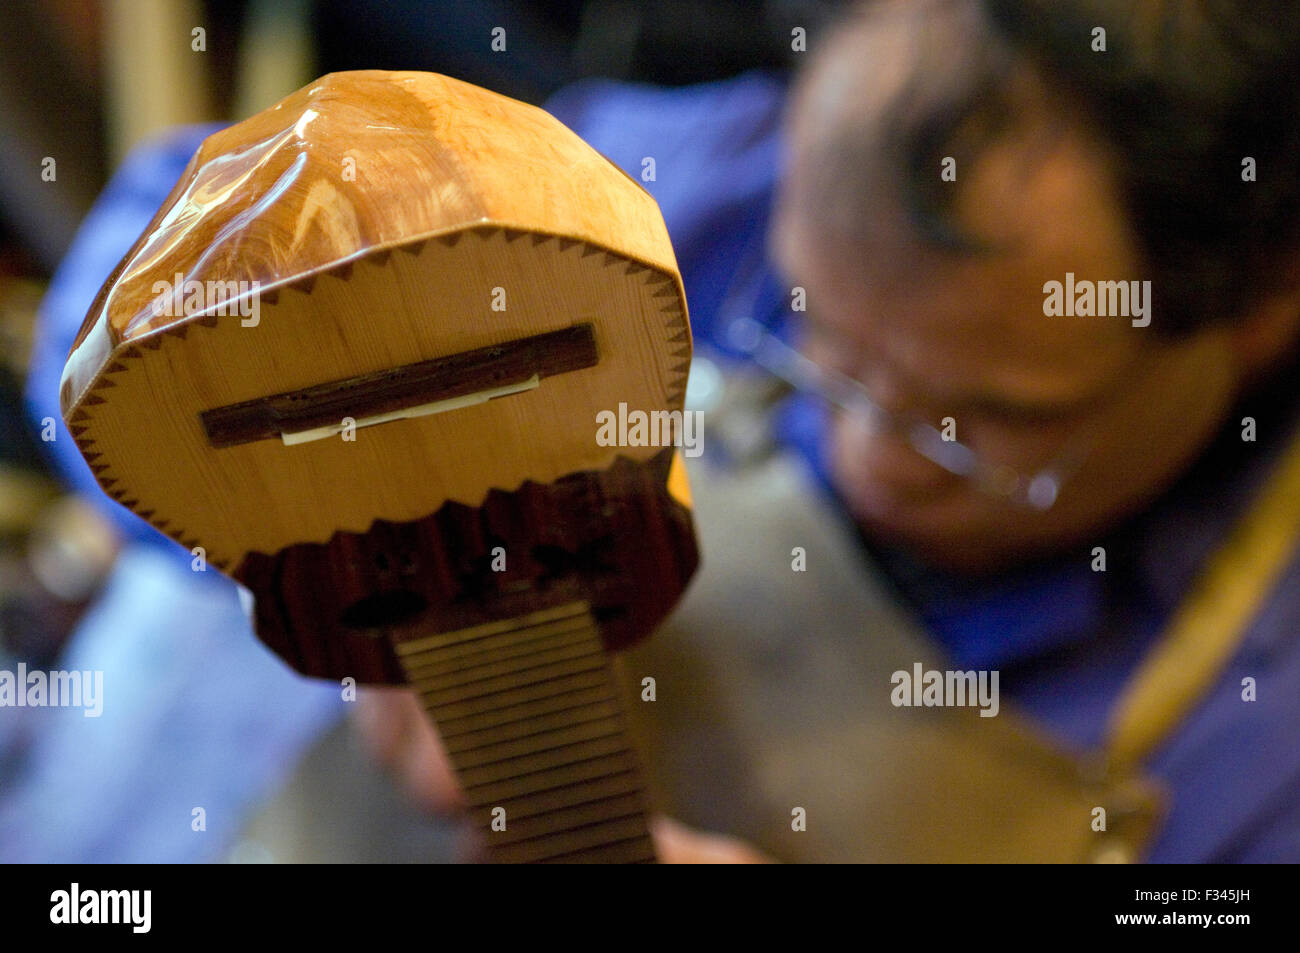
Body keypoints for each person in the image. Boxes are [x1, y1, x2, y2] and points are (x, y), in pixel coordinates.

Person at [364, 0, 1300, 862]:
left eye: (981, 421)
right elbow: (238, 270)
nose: (871, 459)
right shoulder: (700, 187)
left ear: (1265, 310)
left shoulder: (1268, 735)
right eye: (818, 338)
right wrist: (358, 501)